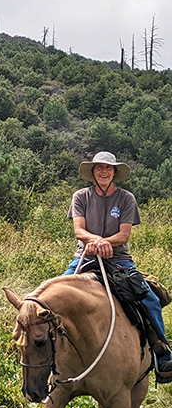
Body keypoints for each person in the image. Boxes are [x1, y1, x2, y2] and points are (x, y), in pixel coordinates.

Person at [65, 151, 172, 377]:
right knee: (53, 294)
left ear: (114, 173)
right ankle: (48, 354)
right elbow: (78, 230)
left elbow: (124, 235)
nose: (103, 171)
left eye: (108, 168)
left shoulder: (126, 198)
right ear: (93, 173)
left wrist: (103, 242)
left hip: (119, 259)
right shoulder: (80, 196)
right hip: (85, 256)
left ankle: (163, 354)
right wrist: (94, 241)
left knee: (148, 298)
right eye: (99, 168)